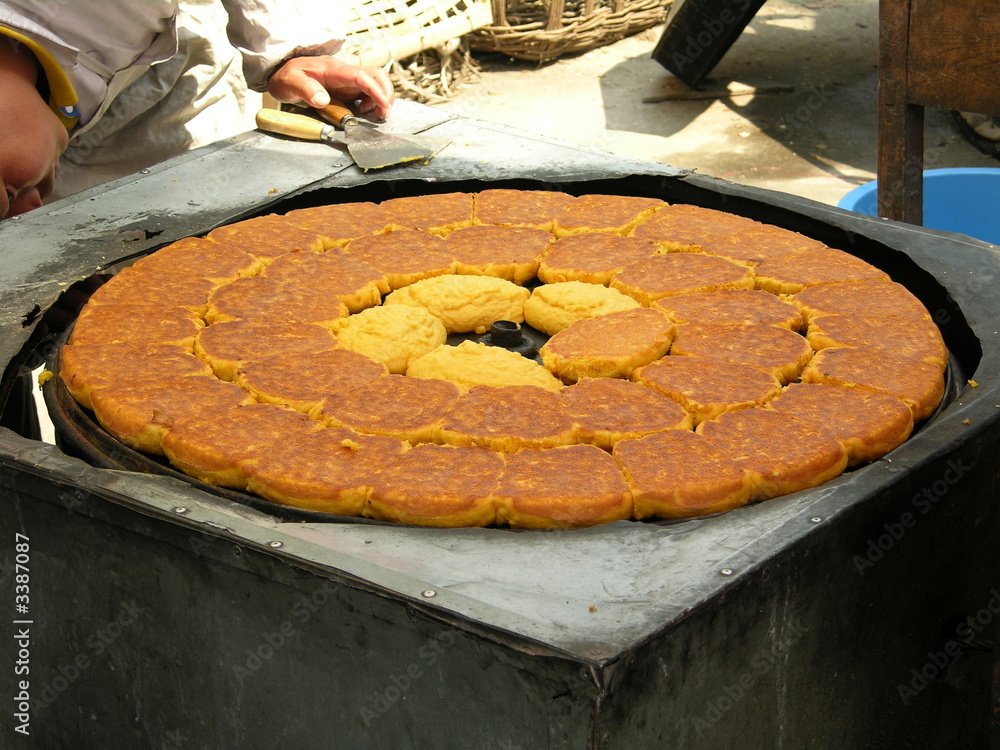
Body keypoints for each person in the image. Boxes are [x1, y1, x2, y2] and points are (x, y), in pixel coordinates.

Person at [0, 0, 396, 219]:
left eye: (7, 190)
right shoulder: (27, 149)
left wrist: (289, 47)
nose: (25, 212)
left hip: (165, 83)